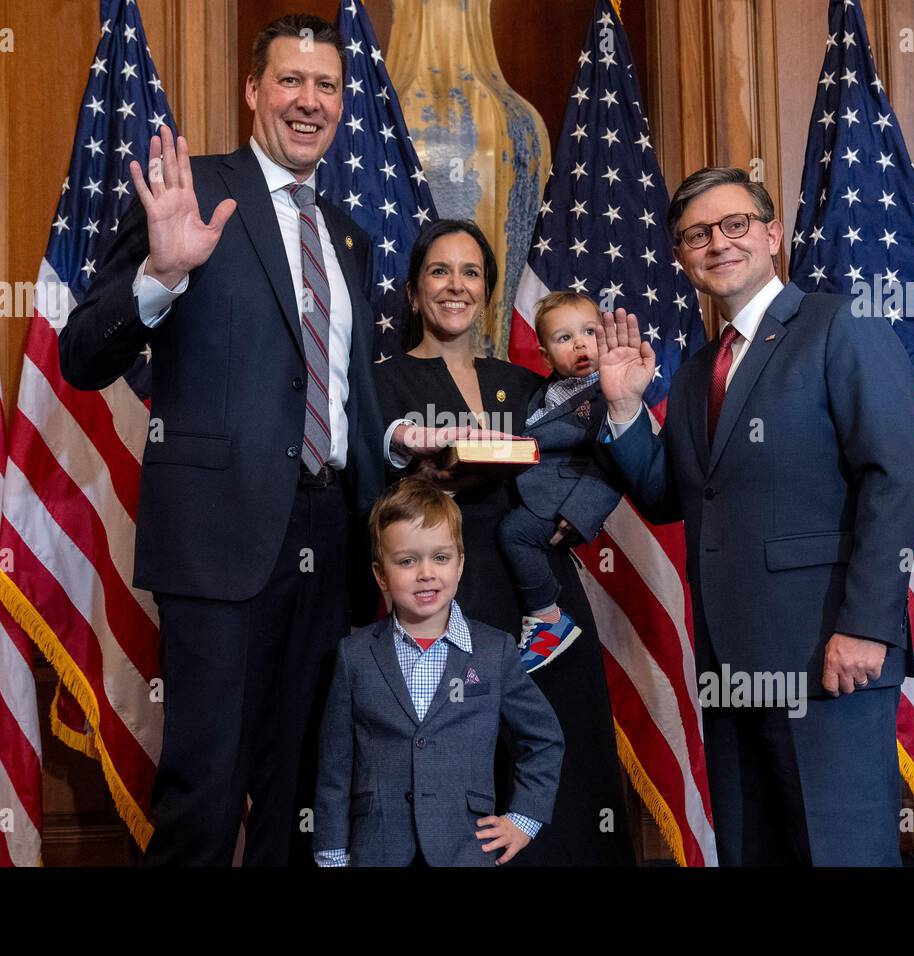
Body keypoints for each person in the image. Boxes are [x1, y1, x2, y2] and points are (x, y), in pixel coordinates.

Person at [59, 14, 387, 866]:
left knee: (305, 791)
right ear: (252, 90)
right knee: (206, 794)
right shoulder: (192, 192)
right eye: (290, 81)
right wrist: (162, 273)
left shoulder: (351, 236)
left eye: (326, 86)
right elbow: (82, 352)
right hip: (220, 544)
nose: (308, 102)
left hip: (335, 546)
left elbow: (353, 396)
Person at [597, 166, 914, 866]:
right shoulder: (693, 374)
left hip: (827, 657)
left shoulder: (841, 326)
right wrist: (626, 408)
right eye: (696, 235)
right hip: (731, 668)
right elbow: (667, 496)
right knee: (757, 853)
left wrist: (867, 626)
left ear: (772, 234)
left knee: (839, 854)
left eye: (734, 224)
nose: (717, 243)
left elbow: (892, 478)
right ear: (682, 259)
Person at [376, 219, 636, 866]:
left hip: (541, 593)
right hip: (448, 599)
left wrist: (576, 515)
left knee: (567, 758)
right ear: (413, 293)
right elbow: (361, 488)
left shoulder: (525, 384)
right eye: (440, 271)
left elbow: (594, 456)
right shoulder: (382, 382)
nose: (456, 285)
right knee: (472, 773)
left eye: (471, 273)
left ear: (488, 292)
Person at [313, 478, 564, 867]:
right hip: (377, 850)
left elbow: (544, 740)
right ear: (381, 575)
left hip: (466, 849)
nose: (426, 573)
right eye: (407, 561)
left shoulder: (493, 651)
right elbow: (334, 765)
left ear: (460, 565)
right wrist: (331, 853)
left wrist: (524, 819)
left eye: (441, 558)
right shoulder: (354, 655)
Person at [496, 292, 622, 672]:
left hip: (563, 499)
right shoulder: (545, 390)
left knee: (513, 534)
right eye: (564, 338)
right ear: (546, 355)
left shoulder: (610, 393)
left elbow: (615, 461)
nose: (580, 343)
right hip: (537, 492)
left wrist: (580, 512)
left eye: (589, 332)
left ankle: (548, 619)